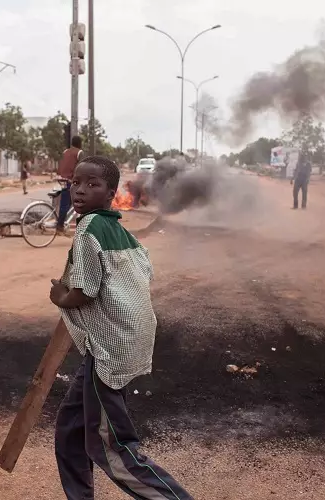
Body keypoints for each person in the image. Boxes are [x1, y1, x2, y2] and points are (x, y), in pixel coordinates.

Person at [50, 155, 192, 500]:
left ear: (111, 192)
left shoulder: (87, 228)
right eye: (76, 183)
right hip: (127, 338)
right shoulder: (120, 230)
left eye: (93, 184)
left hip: (109, 349)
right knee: (70, 430)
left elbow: (83, 293)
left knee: (112, 448)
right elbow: (144, 273)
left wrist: (59, 296)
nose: (81, 191)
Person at [56, 135, 84, 234]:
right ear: (80, 143)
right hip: (69, 181)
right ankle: (59, 226)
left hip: (61, 178)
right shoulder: (79, 152)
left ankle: (62, 223)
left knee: (67, 202)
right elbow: (81, 169)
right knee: (67, 203)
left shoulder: (65, 151)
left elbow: (62, 164)